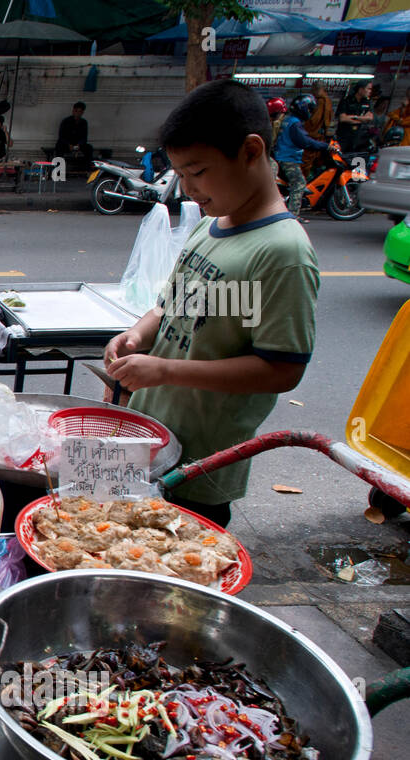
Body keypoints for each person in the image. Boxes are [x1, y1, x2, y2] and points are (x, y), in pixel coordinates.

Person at [103, 79, 317, 529]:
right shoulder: (209, 227)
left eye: (197, 172)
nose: (187, 189)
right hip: (150, 446)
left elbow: (282, 369)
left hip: (201, 470)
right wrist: (138, 334)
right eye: (180, 174)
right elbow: (168, 305)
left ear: (251, 151)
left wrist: (165, 370)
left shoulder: (283, 252)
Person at [275, 95, 337, 223]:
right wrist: (325, 146)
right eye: (309, 109)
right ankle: (293, 215)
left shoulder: (289, 120)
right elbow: (305, 142)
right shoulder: (294, 124)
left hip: (284, 156)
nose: (310, 112)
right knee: (299, 183)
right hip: (287, 159)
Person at [302, 81, 334, 176]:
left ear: (318, 89)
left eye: (313, 90)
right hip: (320, 137)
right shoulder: (327, 101)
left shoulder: (321, 102)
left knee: (306, 163)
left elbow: (313, 121)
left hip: (313, 136)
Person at [335, 80, 374, 155]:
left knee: (357, 161)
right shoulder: (346, 101)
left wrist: (354, 117)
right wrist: (362, 119)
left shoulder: (367, 102)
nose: (370, 91)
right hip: (344, 136)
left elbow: (369, 118)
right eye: (368, 89)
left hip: (359, 138)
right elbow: (343, 118)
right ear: (360, 89)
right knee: (341, 158)